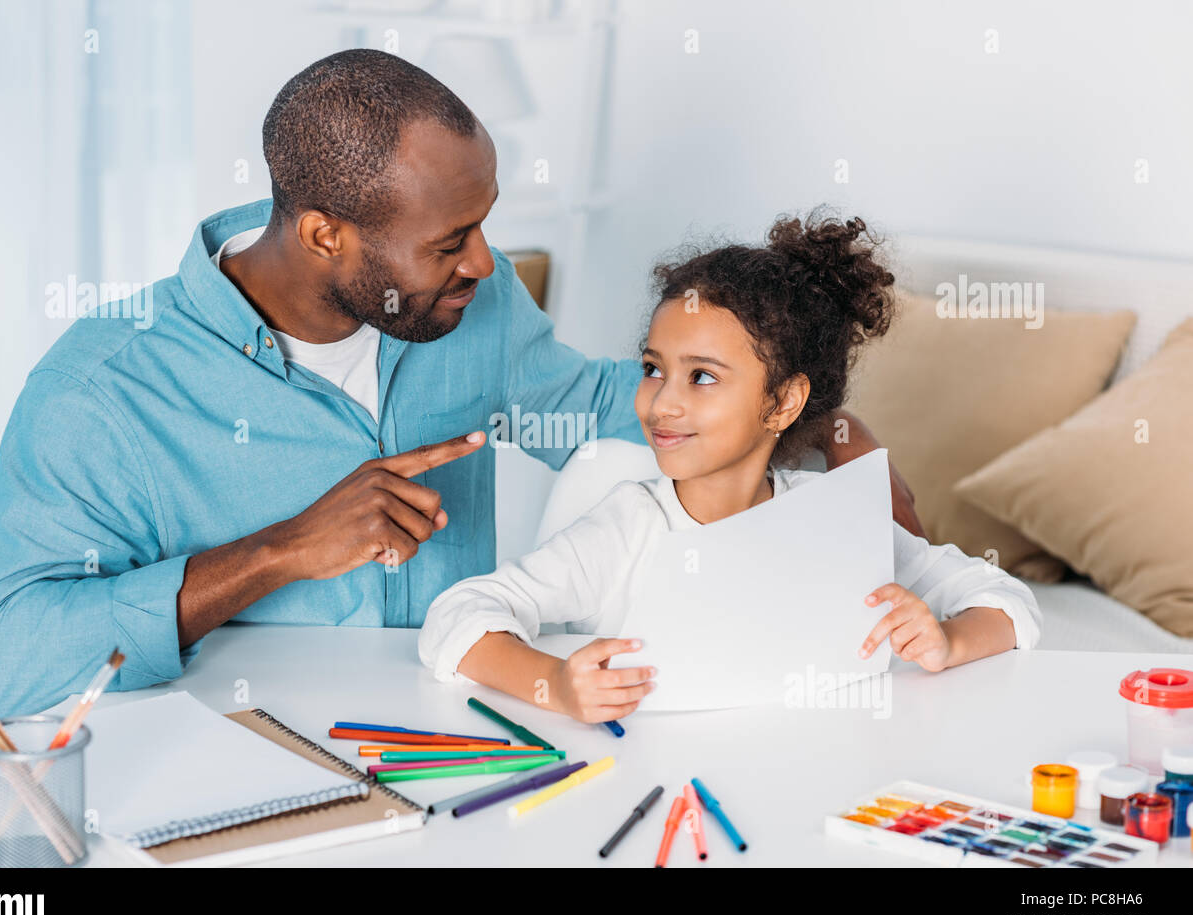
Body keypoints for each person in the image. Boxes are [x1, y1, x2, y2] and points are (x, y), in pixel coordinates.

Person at [0, 50, 916, 716]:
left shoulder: (473, 309)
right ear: (325, 233)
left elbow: (589, 411)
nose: (487, 264)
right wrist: (281, 551)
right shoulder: (106, 391)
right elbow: (3, 656)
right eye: (450, 243)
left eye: (485, 224)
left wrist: (815, 427)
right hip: (254, 765)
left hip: (487, 739)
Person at [418, 213, 1042, 725]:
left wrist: (947, 639)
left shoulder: (833, 520)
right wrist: (554, 680)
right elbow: (459, 614)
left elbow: (1006, 601)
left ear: (784, 402)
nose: (662, 402)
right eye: (653, 368)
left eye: (703, 377)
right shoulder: (631, 527)